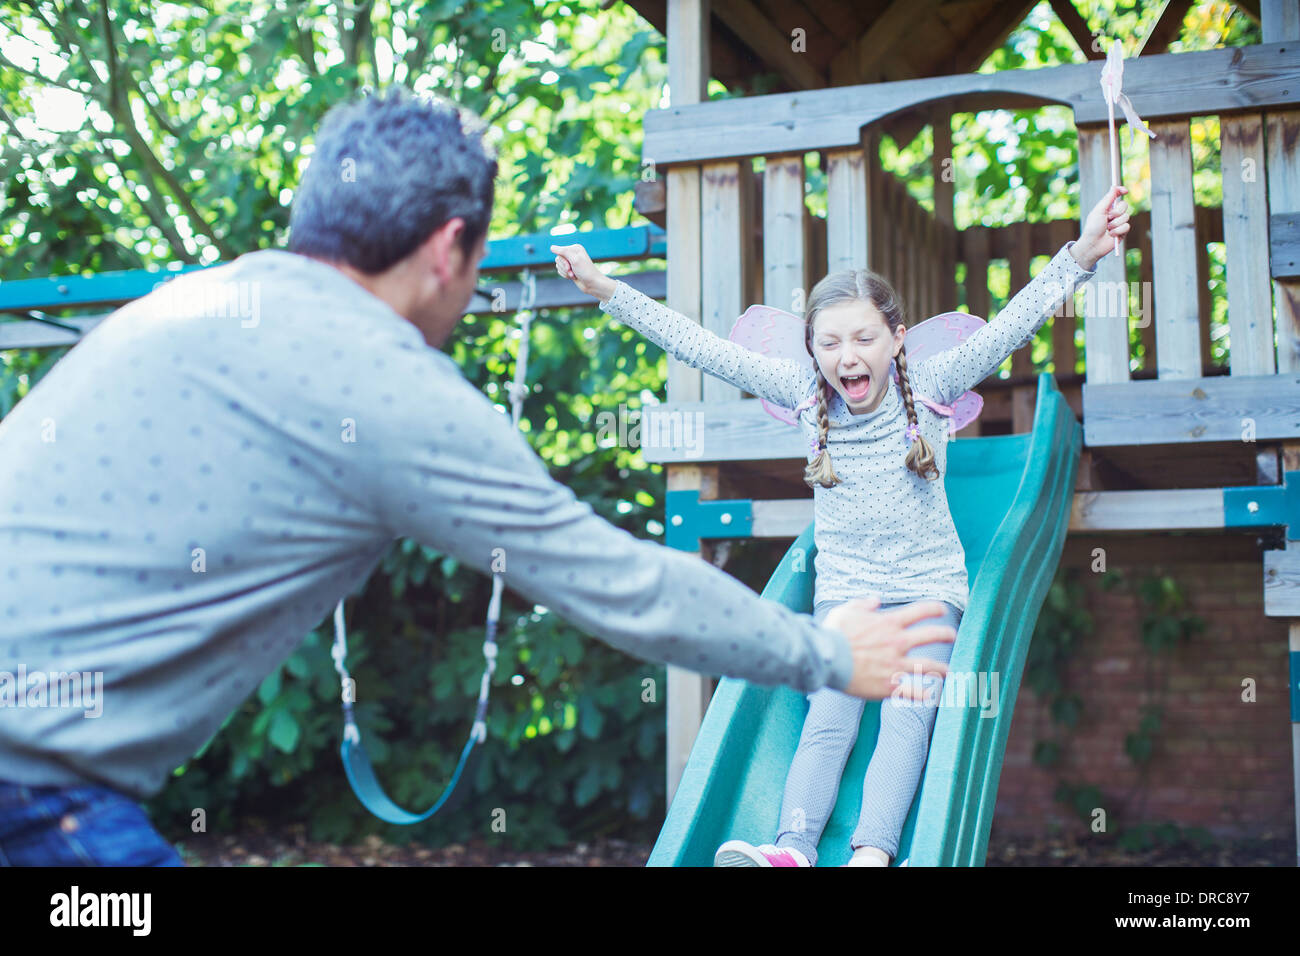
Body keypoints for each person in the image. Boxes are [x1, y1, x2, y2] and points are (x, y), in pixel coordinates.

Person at [0, 87, 958, 867]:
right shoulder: (379, 380)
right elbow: (614, 583)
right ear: (451, 248)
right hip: (34, 795)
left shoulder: (192, 303)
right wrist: (829, 656)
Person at [552, 183, 1129, 866]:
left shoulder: (935, 382)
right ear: (812, 348)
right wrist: (604, 288)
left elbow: (1014, 323)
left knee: (908, 716)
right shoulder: (804, 393)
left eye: (863, 338)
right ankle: (792, 850)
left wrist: (1083, 254)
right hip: (848, 594)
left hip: (926, 590)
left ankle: (872, 854)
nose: (846, 355)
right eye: (829, 342)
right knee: (829, 720)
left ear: (896, 338)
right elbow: (700, 347)